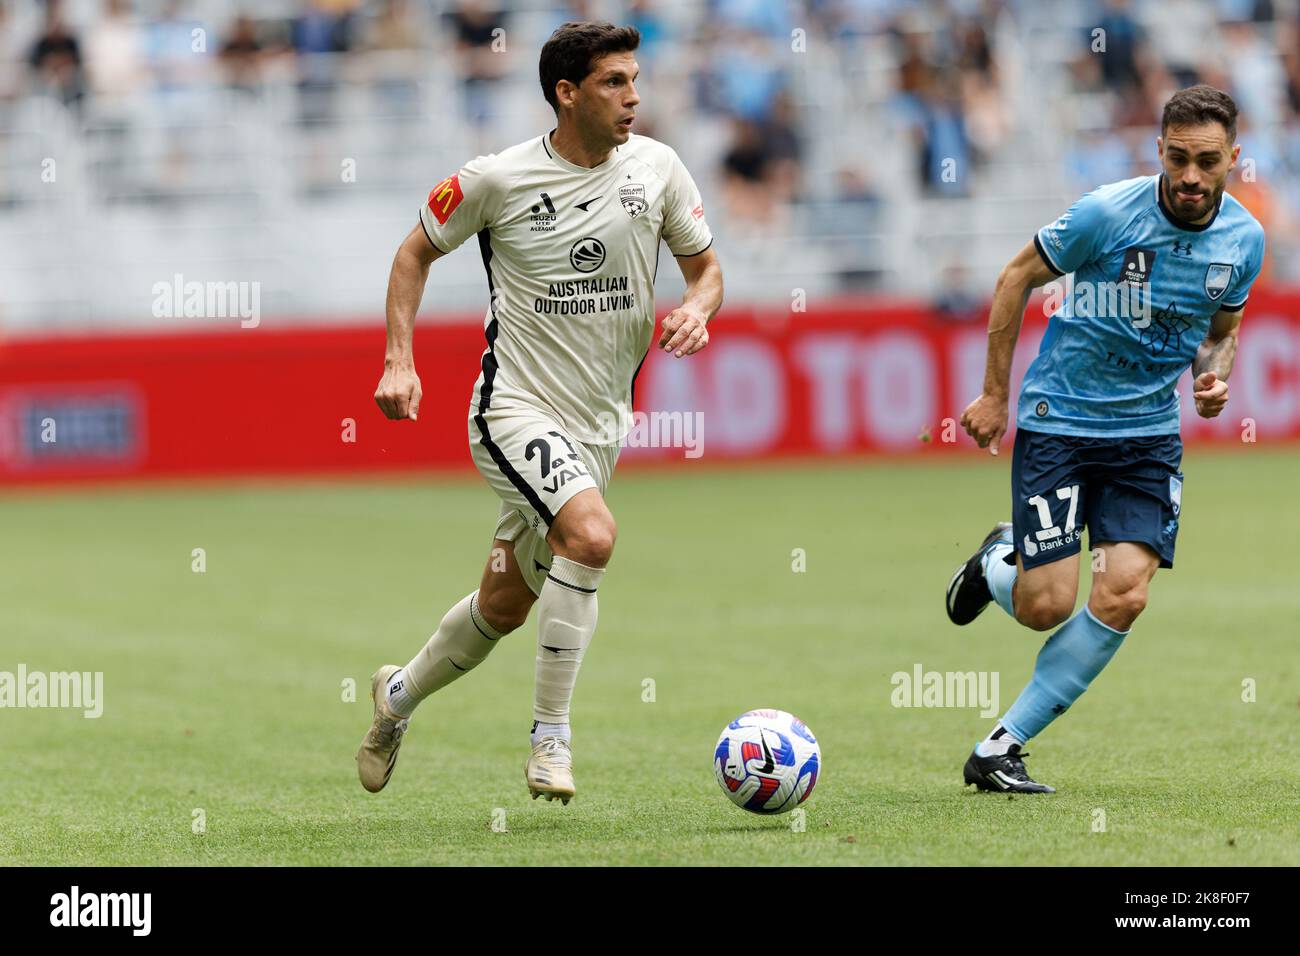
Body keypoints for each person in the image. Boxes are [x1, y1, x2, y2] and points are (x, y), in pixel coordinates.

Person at [359, 21, 723, 804]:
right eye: (614, 83)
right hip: (513, 409)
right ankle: (551, 739)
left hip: (600, 427)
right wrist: (398, 358)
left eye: (634, 80)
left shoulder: (657, 169)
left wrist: (698, 307)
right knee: (591, 535)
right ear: (567, 93)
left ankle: (395, 700)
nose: (634, 97)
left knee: (503, 604)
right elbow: (412, 253)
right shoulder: (497, 179)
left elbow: (707, 269)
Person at [948, 85, 1265, 793]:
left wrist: (1213, 380)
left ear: (1233, 159)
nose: (1189, 176)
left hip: (1148, 438)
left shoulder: (1244, 240)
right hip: (1062, 422)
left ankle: (1000, 747)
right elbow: (1016, 277)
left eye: (1207, 162)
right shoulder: (1105, 214)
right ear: (1159, 150)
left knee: (1124, 593)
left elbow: (1221, 335)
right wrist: (995, 394)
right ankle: (995, 564)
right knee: (1045, 606)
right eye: (1177, 158)